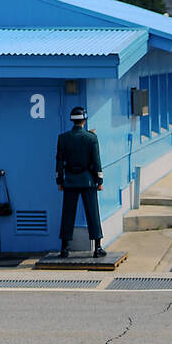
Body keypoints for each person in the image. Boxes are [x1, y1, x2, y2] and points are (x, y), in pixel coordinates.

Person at [55, 106, 106, 259]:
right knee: (93, 213)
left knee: (68, 214)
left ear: (72, 120)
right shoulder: (91, 138)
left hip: (70, 180)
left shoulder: (63, 138)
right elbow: (97, 161)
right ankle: (97, 248)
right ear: (85, 119)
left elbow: (59, 161)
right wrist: (100, 180)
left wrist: (60, 180)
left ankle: (64, 248)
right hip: (87, 180)